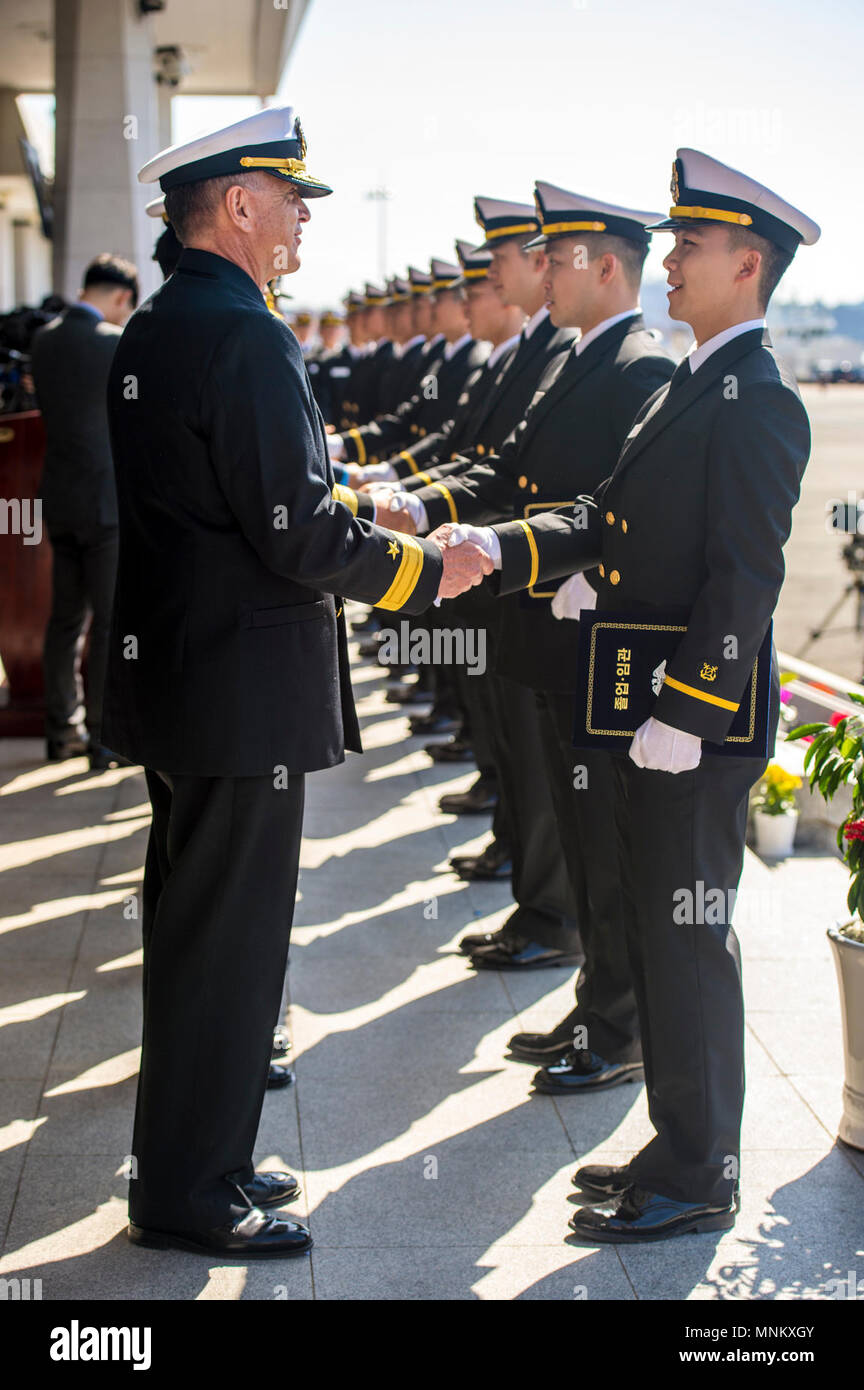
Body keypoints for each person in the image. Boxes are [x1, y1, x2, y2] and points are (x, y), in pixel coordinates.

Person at [104, 105, 490, 1259]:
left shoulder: (171, 322)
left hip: (189, 686)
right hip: (238, 696)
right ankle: (190, 1191)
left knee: (197, 935)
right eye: (292, 195)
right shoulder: (246, 333)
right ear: (236, 206)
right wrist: (427, 566)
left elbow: (252, 497)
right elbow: (293, 535)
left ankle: (197, 1160)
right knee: (229, 943)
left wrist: (348, 500)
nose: (306, 215)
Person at [441, 148, 819, 1243]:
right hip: (649, 715)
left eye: (690, 247)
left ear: (749, 263)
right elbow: (603, 516)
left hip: (692, 730)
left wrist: (687, 714)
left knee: (689, 936)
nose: (671, 267)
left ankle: (702, 1170)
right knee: (660, 932)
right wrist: (499, 545)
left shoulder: (758, 399)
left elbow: (746, 579)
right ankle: (674, 1140)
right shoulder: (699, 378)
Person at [31, 253, 139, 771]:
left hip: (58, 498)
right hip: (106, 502)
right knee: (110, 621)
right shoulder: (113, 344)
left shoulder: (43, 340)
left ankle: (60, 730)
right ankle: (102, 734)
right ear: (121, 298)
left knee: (65, 617)